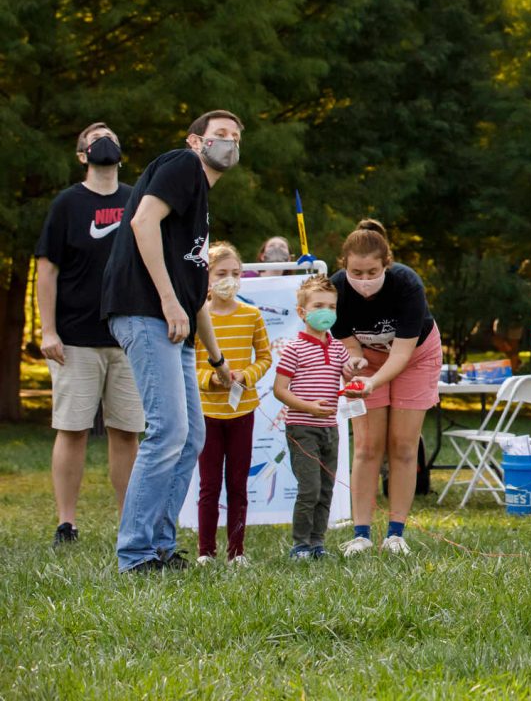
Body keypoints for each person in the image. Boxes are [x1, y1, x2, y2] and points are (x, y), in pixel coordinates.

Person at [101, 110, 243, 573]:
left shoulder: (198, 204)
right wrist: (166, 299)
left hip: (172, 324)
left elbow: (195, 298)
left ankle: (161, 545)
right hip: (145, 312)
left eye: (236, 137)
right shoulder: (182, 166)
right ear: (195, 141)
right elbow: (142, 223)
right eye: (220, 135)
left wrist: (219, 360)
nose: (229, 142)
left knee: (190, 435)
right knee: (167, 431)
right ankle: (136, 551)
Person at [34, 122, 141, 547]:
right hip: (74, 337)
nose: (104, 142)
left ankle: (128, 521)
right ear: (83, 155)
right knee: (72, 428)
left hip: (130, 334)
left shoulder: (137, 200)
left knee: (127, 432)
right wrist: (47, 330)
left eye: (111, 136)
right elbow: (47, 268)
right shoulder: (67, 204)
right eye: (94, 138)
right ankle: (66, 524)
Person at [331, 220, 443, 556]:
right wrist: (353, 366)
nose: (364, 280)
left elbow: (403, 355)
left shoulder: (407, 285)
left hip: (416, 357)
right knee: (367, 446)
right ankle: (361, 534)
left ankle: (396, 534)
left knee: (403, 445)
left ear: (386, 265)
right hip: (369, 360)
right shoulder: (335, 290)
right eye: (356, 272)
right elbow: (349, 346)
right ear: (344, 267)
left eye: (372, 272)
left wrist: (372, 382)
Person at [193, 243, 272, 565]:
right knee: (209, 485)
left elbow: (265, 357)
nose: (229, 280)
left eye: (235, 274)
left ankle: (236, 551)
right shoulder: (198, 316)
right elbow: (189, 363)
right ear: (207, 278)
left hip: (243, 411)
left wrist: (246, 375)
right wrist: (211, 379)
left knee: (238, 484)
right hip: (207, 412)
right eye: (221, 274)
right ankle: (205, 552)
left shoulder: (251, 315)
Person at [273, 275, 350, 559]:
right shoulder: (294, 349)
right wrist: (308, 407)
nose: (326, 312)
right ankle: (300, 545)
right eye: (319, 305)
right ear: (302, 312)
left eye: (331, 307)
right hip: (302, 428)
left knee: (326, 489)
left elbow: (348, 376)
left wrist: (356, 377)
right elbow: (279, 390)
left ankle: (318, 543)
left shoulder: (339, 348)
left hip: (330, 428)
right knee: (310, 488)